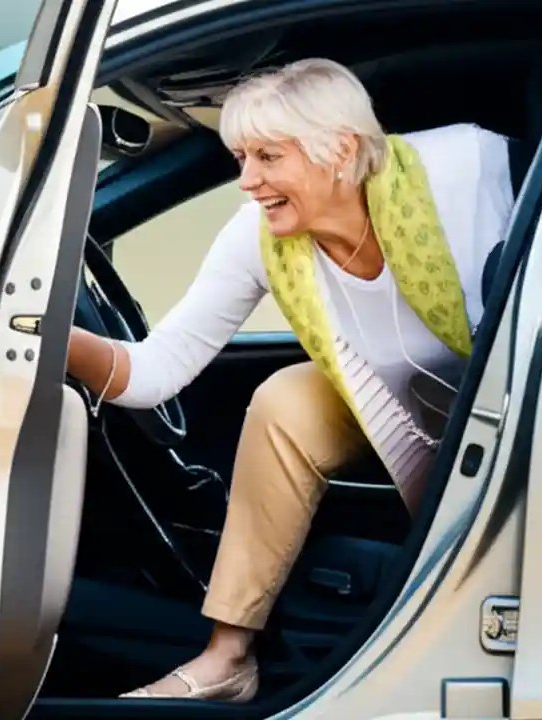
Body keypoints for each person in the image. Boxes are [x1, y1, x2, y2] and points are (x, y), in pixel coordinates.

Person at [65, 57, 514, 702]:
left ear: (342, 150)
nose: (247, 181)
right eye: (241, 158)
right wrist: (43, 337)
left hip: (512, 397)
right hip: (389, 399)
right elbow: (156, 372)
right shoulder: (257, 238)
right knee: (286, 399)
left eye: (267, 157)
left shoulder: (469, 167)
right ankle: (228, 659)